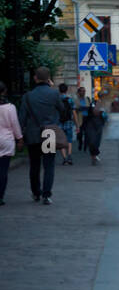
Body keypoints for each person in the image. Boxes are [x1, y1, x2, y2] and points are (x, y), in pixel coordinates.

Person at [17, 67, 65, 204]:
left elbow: (22, 118)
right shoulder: (54, 94)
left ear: (35, 78)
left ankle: (36, 193)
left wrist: (19, 136)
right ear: (49, 78)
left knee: (34, 165)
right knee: (49, 164)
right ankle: (46, 194)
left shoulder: (27, 96)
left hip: (32, 134)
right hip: (49, 133)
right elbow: (62, 111)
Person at [0, 82, 23, 205]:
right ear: (4, 91)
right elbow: (15, 124)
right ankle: (0, 196)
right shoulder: (10, 107)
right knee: (3, 170)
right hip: (6, 140)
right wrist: (19, 138)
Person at [82, 90, 108, 166]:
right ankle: (94, 155)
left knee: (96, 141)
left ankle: (94, 155)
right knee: (93, 141)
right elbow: (93, 112)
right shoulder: (94, 103)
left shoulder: (103, 104)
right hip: (92, 123)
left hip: (98, 124)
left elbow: (105, 116)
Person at [56, 83, 76, 165]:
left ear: (59, 90)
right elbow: (74, 113)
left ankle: (64, 158)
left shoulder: (57, 100)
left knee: (61, 140)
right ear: (66, 90)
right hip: (69, 122)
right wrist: (77, 124)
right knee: (69, 140)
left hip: (59, 122)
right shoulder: (70, 100)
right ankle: (69, 156)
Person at [74, 86, 92, 151]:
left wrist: (84, 108)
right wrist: (81, 108)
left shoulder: (87, 99)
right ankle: (80, 143)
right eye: (82, 91)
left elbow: (90, 108)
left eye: (84, 91)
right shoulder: (76, 100)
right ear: (79, 92)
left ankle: (85, 145)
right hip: (79, 119)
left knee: (87, 133)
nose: (83, 92)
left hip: (87, 118)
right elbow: (75, 109)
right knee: (80, 134)